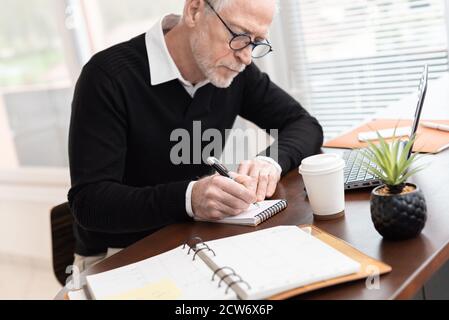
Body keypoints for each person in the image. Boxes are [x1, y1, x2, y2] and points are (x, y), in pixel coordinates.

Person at [68, 0, 323, 272]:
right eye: (238, 35)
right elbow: (90, 202)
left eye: (257, 42)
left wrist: (271, 161)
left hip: (195, 238)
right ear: (194, 11)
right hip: (119, 253)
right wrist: (190, 198)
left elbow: (304, 124)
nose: (246, 56)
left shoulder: (236, 69)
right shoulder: (107, 76)